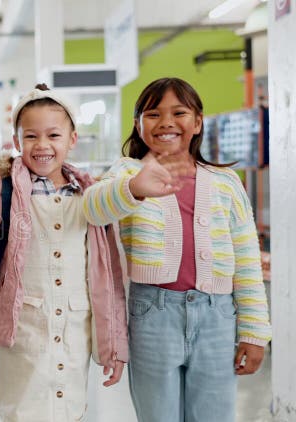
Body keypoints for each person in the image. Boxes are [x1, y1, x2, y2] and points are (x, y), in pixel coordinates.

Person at [0, 84, 128, 421]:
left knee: (70, 409)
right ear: (18, 143)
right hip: (23, 331)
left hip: (75, 330)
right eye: (31, 136)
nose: (43, 145)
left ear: (72, 139)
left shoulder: (89, 192)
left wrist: (114, 345)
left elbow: (108, 275)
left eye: (54, 135)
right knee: (23, 410)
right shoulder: (1, 187)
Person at [81, 77, 272, 422]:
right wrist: (134, 188)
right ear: (138, 125)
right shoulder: (127, 173)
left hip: (218, 318)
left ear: (198, 122)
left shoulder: (225, 183)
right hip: (152, 315)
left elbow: (246, 261)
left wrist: (254, 332)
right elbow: (93, 208)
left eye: (179, 112)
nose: (166, 122)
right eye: (153, 113)